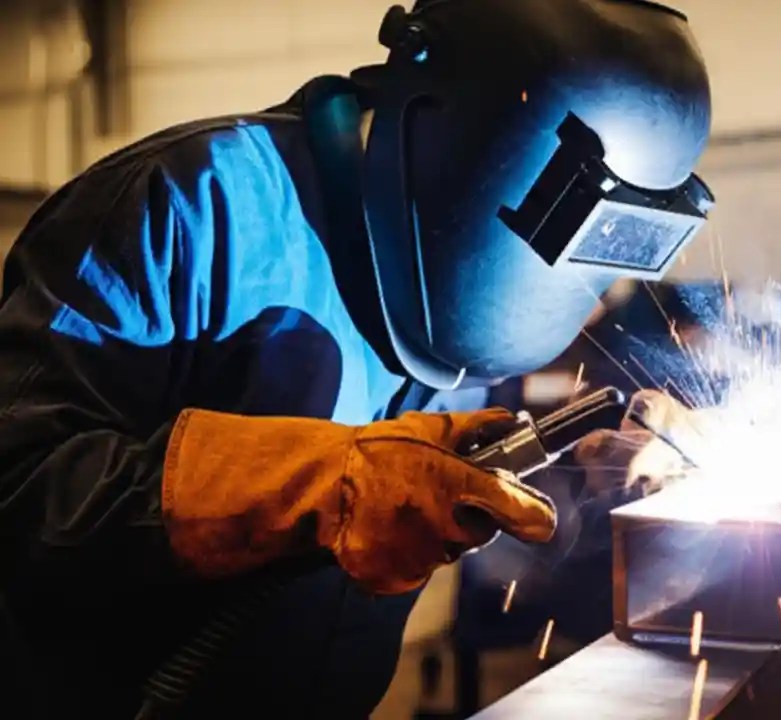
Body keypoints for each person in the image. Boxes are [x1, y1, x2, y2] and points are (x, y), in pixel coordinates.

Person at [0, 0, 713, 716]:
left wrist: (589, 483)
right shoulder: (189, 205)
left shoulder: (468, 300)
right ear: (467, 143)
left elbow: (446, 487)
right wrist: (316, 486)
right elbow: (20, 487)